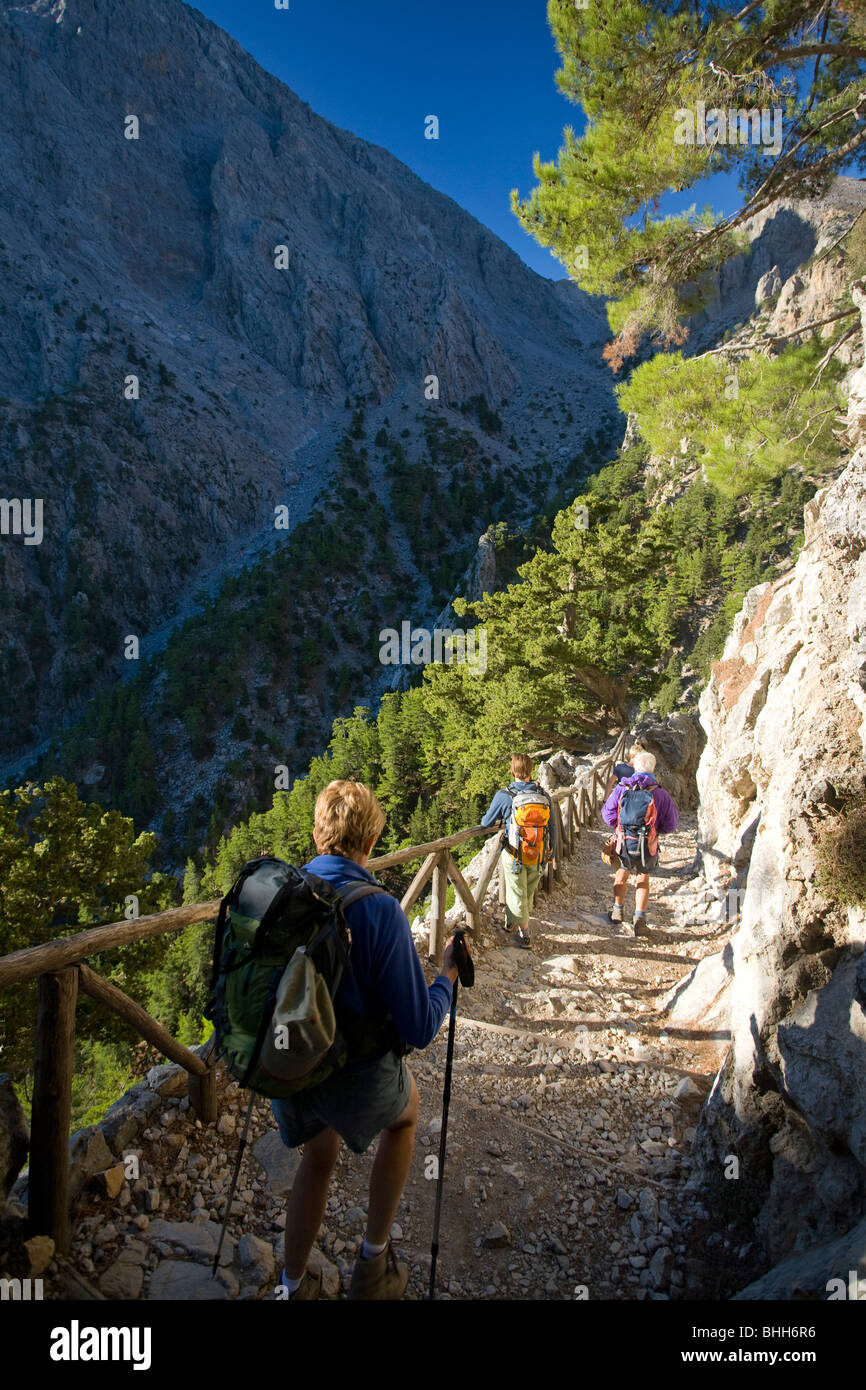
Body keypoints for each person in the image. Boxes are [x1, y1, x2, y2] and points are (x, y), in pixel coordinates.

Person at [271, 779, 459, 1301]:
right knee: (407, 1116)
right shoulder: (380, 911)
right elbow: (420, 1029)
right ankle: (372, 1265)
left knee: (317, 1153)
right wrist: (444, 979)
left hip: (290, 1069)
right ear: (372, 842)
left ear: (315, 834)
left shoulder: (283, 895)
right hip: (351, 1075)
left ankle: (292, 1286)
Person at [481, 753, 557, 951]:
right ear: (531, 771)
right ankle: (510, 921)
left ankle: (524, 934)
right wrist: (552, 852)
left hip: (515, 853)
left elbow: (485, 822)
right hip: (539, 853)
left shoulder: (505, 796)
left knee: (517, 892)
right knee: (527, 891)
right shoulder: (543, 795)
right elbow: (553, 826)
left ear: (512, 770)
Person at [601, 751, 678, 938]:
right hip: (647, 844)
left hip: (624, 841)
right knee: (643, 878)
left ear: (635, 768)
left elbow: (607, 813)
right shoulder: (659, 793)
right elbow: (671, 824)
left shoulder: (622, 788)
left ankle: (617, 911)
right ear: (653, 769)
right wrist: (654, 830)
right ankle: (639, 920)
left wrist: (619, 827)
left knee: (621, 875)